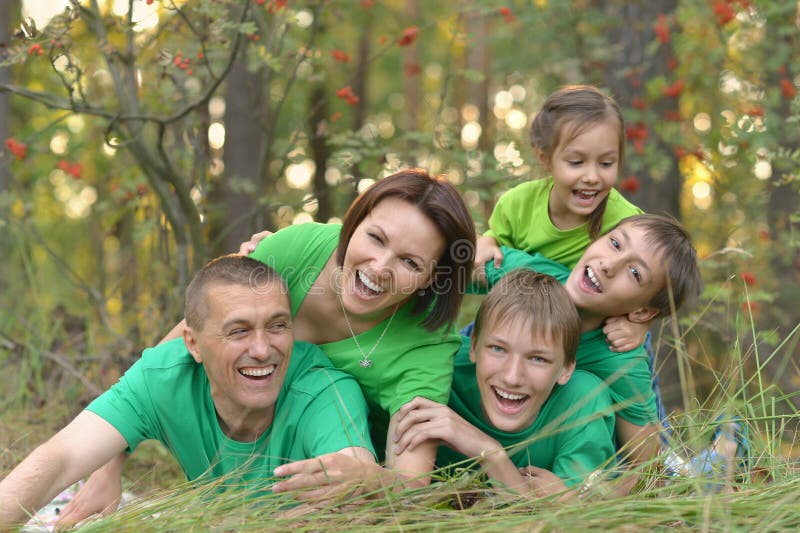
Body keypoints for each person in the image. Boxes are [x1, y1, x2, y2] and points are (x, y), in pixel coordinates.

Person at [62, 169, 476, 522]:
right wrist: (107, 466)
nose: (380, 267)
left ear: (432, 278)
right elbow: (174, 355)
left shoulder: (425, 345)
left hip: (353, 494)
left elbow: (409, 486)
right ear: (355, 223)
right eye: (376, 238)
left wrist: (365, 480)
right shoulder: (296, 250)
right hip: (260, 462)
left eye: (410, 262)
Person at [0, 255, 375, 528]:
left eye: (277, 326)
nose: (262, 349)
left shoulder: (324, 389)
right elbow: (60, 458)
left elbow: (356, 491)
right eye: (239, 331)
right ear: (193, 345)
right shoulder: (164, 376)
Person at [471, 214, 702, 494]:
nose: (608, 265)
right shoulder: (529, 277)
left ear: (641, 312)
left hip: (565, 455)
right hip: (484, 412)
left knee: (686, 472)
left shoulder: (620, 359)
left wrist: (582, 499)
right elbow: (437, 267)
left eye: (635, 273)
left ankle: (716, 458)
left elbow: (648, 469)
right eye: (615, 244)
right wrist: (482, 243)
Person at [393, 270, 617, 497]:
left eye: (538, 359)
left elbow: (567, 519)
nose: (512, 377)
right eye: (498, 349)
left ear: (566, 368)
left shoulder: (582, 402)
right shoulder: (439, 370)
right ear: (473, 347)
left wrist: (491, 453)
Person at [474, 84, 645, 353]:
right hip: (524, 327)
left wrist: (640, 326)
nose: (592, 176)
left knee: (630, 368)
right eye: (576, 162)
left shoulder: (627, 224)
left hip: (592, 340)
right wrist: (485, 242)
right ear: (545, 158)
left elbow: (656, 281)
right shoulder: (518, 205)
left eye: (606, 163)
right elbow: (495, 246)